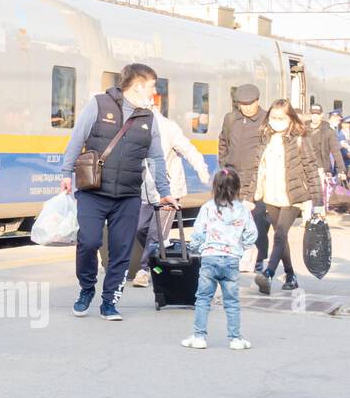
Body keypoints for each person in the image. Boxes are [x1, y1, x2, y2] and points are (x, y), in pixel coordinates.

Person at [60, 64, 176, 321]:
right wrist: (66, 174)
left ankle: (109, 300)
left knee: (121, 250)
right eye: (152, 86)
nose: (154, 92)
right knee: (89, 241)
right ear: (137, 86)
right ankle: (87, 288)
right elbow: (77, 139)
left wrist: (165, 191)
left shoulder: (148, 118)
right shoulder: (99, 105)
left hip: (128, 195)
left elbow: (156, 157)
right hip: (93, 190)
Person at [239, 99, 325, 295]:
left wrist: (318, 203)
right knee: (281, 237)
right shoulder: (266, 138)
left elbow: (311, 170)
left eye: (280, 118)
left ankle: (268, 274)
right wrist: (248, 196)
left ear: (290, 119)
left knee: (279, 235)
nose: (275, 121)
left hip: (293, 196)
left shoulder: (300, 139)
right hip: (270, 195)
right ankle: (291, 275)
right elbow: (257, 170)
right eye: (273, 117)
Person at [129, 107, 210, 287]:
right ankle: (160, 253)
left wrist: (202, 170)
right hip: (145, 191)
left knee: (155, 233)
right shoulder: (131, 125)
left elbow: (188, 149)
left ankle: (144, 270)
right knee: (140, 228)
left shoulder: (168, 127)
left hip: (169, 191)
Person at [182, 168, 257, 351]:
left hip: (209, 258)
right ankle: (235, 339)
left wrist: (196, 249)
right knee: (231, 301)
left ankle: (199, 337)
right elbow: (251, 235)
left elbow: (198, 234)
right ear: (237, 187)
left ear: (215, 187)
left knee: (203, 299)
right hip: (231, 260)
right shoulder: (243, 210)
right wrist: (240, 248)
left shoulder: (207, 208)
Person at [218, 84, 270, 273]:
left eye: (250, 104)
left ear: (258, 101)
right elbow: (223, 141)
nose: (246, 108)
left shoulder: (266, 119)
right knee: (231, 219)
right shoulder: (231, 118)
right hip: (233, 178)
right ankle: (235, 255)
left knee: (258, 220)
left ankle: (259, 258)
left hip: (258, 177)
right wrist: (224, 168)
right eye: (242, 104)